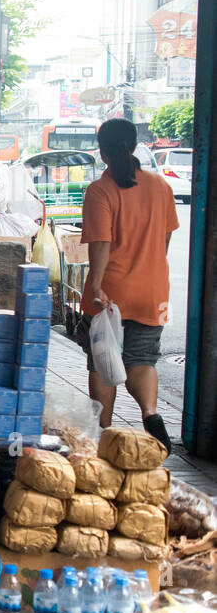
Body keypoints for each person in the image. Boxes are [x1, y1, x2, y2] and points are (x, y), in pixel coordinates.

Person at [79, 117, 180, 452]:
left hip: (111, 293)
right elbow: (164, 240)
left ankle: (104, 431)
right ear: (135, 146)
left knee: (104, 361)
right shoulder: (161, 187)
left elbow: (101, 244)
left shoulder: (100, 190)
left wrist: (95, 287)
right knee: (143, 359)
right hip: (152, 291)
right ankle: (150, 413)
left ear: (101, 150)